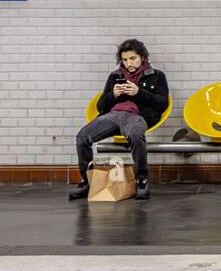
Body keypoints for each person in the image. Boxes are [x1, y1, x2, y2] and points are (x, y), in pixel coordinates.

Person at [70, 39, 170, 201]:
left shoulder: (157, 76)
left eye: (133, 58)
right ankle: (87, 181)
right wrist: (113, 95)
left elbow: (162, 104)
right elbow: (101, 106)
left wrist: (138, 93)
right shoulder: (115, 76)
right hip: (112, 116)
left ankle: (141, 180)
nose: (129, 63)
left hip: (137, 116)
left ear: (143, 57)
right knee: (82, 137)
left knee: (136, 136)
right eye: (125, 59)